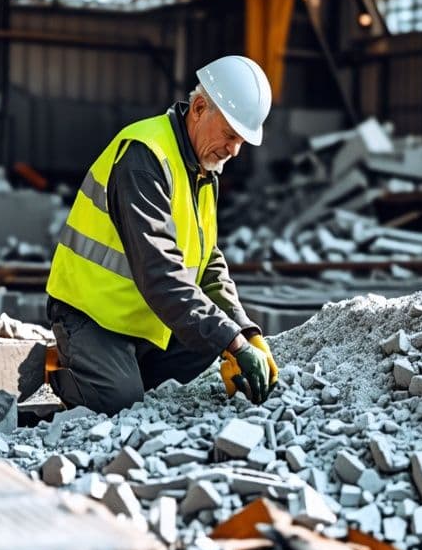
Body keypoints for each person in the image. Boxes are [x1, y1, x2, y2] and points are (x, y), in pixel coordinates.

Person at [46, 55, 279, 415]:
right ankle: (66, 373)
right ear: (199, 108)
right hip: (91, 316)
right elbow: (160, 272)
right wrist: (232, 341)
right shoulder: (144, 157)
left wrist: (246, 332)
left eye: (242, 141)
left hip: (145, 317)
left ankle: (127, 371)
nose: (234, 150)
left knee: (211, 338)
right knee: (119, 403)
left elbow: (209, 264)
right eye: (230, 135)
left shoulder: (203, 170)